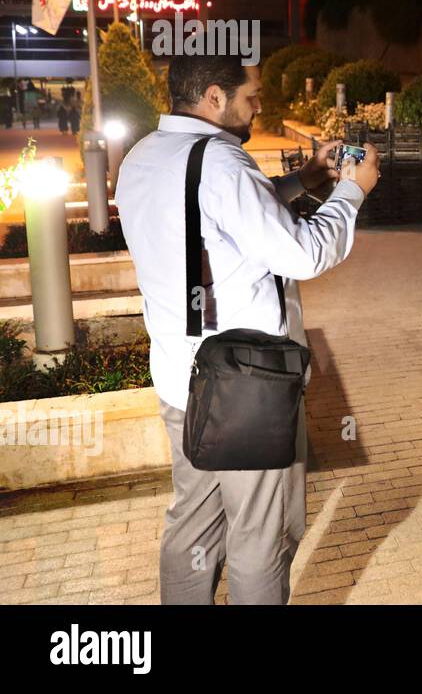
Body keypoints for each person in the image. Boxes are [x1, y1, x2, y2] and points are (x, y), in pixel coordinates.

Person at [115, 53, 380, 605]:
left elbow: (206, 217)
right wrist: (352, 192)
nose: (258, 106)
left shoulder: (144, 155)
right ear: (215, 97)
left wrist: (302, 181)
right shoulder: (223, 164)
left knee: (193, 523)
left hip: (179, 379)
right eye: (251, 96)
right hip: (247, 384)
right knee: (261, 534)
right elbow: (302, 253)